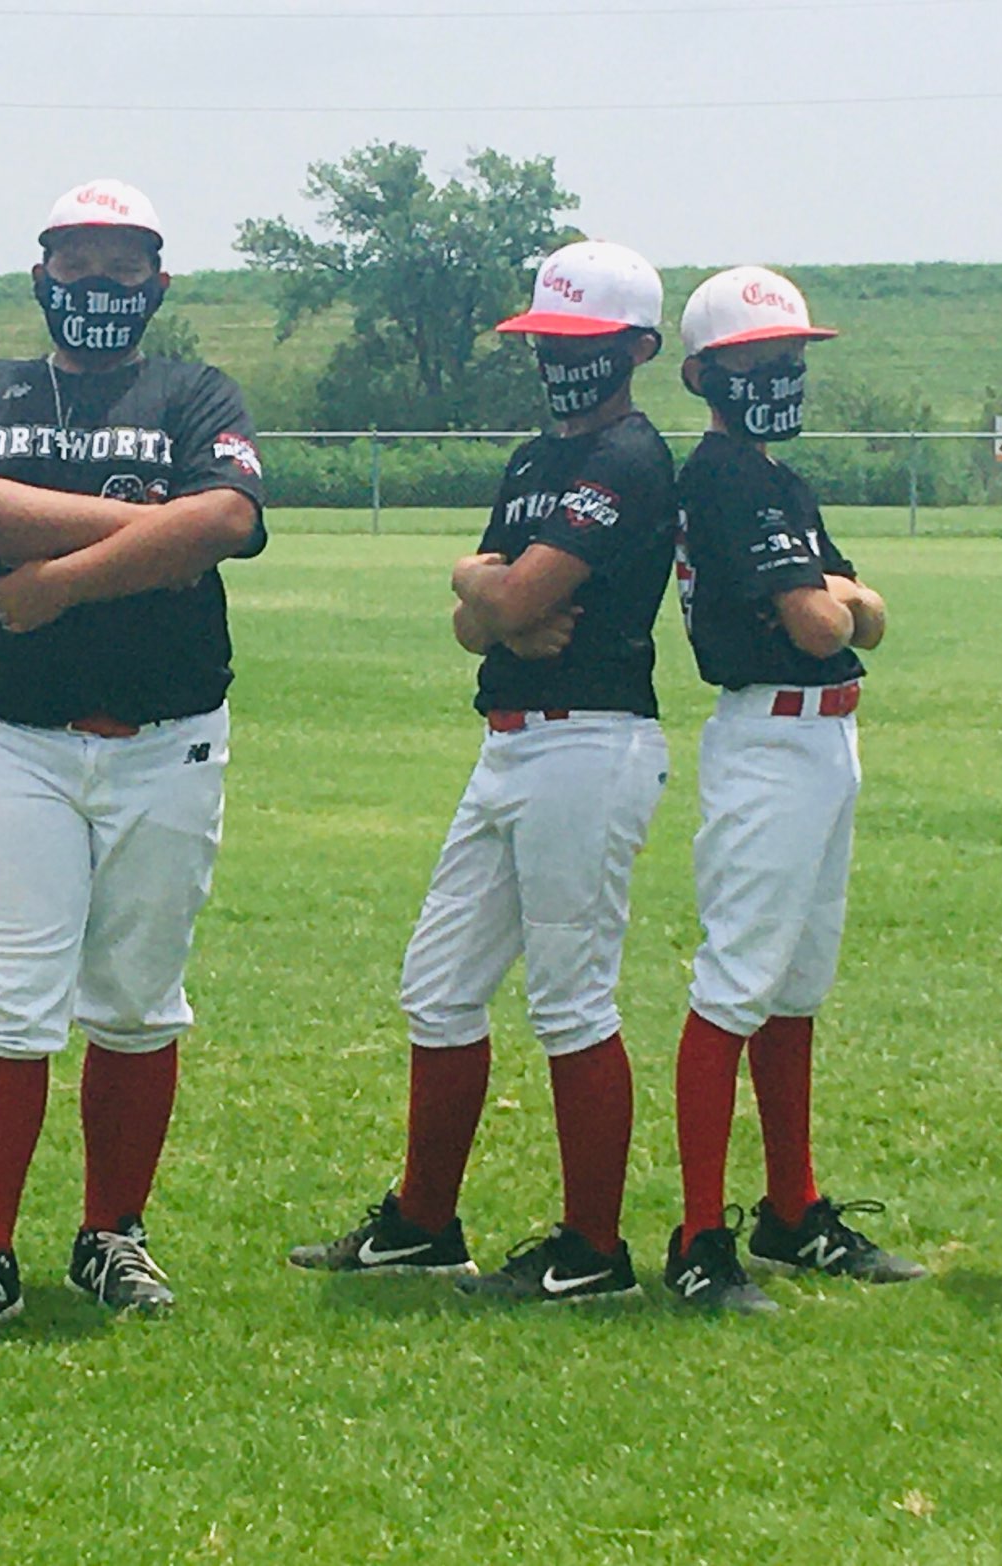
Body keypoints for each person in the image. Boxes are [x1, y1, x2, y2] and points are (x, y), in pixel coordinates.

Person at [0, 179, 267, 1339]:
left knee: (138, 1003)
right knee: (8, 1000)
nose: (97, 292)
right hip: (22, 742)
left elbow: (227, 523)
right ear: (39, 278)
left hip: (170, 741)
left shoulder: (193, 388)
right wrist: (147, 527)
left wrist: (57, 576)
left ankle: (112, 1233)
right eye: (77, 270)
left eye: (122, 274)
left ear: (157, 287)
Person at [287, 240, 676, 1304]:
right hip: (512, 737)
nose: (558, 358)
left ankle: (594, 1251)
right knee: (440, 985)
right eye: (545, 339)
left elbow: (499, 607)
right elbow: (483, 624)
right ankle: (423, 1222)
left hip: (590, 742)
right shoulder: (532, 462)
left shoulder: (630, 459)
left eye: (581, 341)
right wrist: (485, 590)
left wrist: (485, 592)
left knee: (571, 1001)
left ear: (637, 348)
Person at [657, 266, 922, 1316]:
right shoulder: (726, 473)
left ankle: (790, 1205)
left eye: (792, 360)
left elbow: (872, 614)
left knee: (795, 986)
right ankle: (698, 1235)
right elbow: (823, 624)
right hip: (768, 734)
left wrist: (843, 600)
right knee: (736, 984)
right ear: (708, 375)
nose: (783, 376)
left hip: (822, 740)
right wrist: (840, 602)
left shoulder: (776, 478)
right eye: (760, 362)